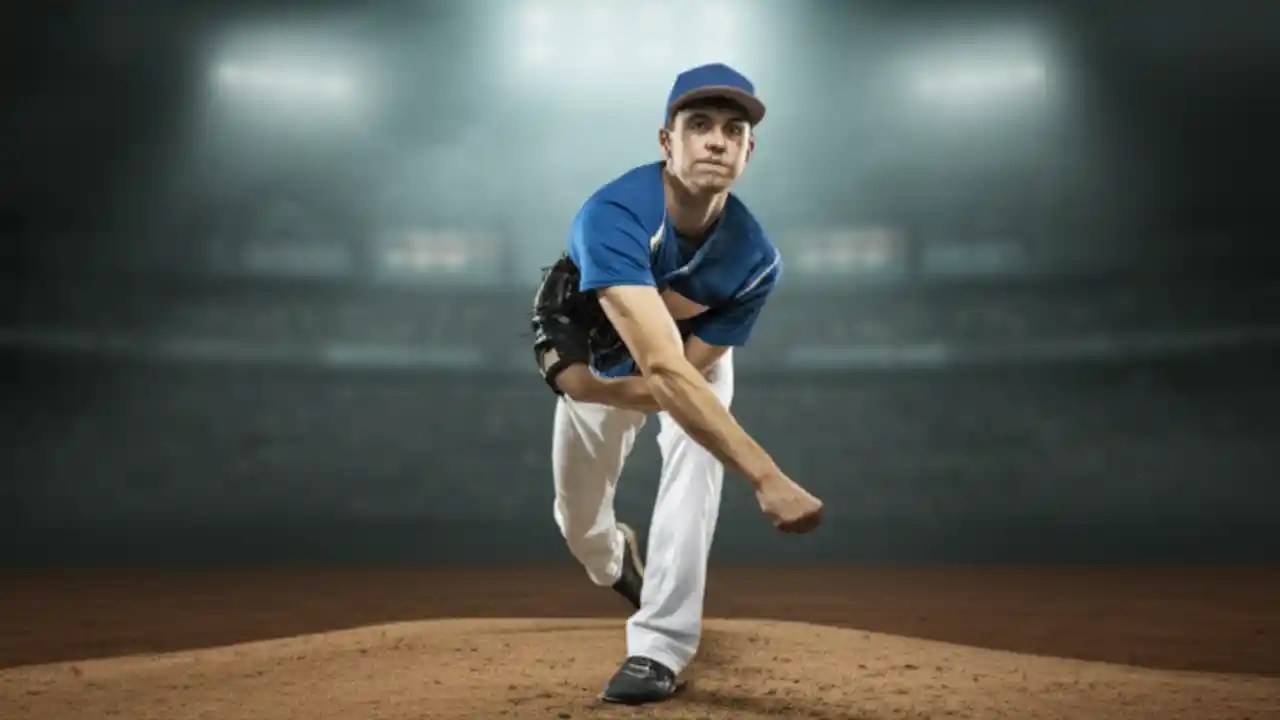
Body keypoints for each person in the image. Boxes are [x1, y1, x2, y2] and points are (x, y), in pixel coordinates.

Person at [529, 62, 824, 706]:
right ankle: (615, 562)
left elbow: (682, 372)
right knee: (578, 523)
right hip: (612, 364)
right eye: (698, 125)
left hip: (681, 366)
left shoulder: (756, 258)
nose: (717, 139)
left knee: (700, 451)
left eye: (733, 128)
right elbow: (657, 371)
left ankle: (659, 647)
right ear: (667, 142)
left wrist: (751, 467)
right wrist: (594, 388)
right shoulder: (614, 213)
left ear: (749, 149)